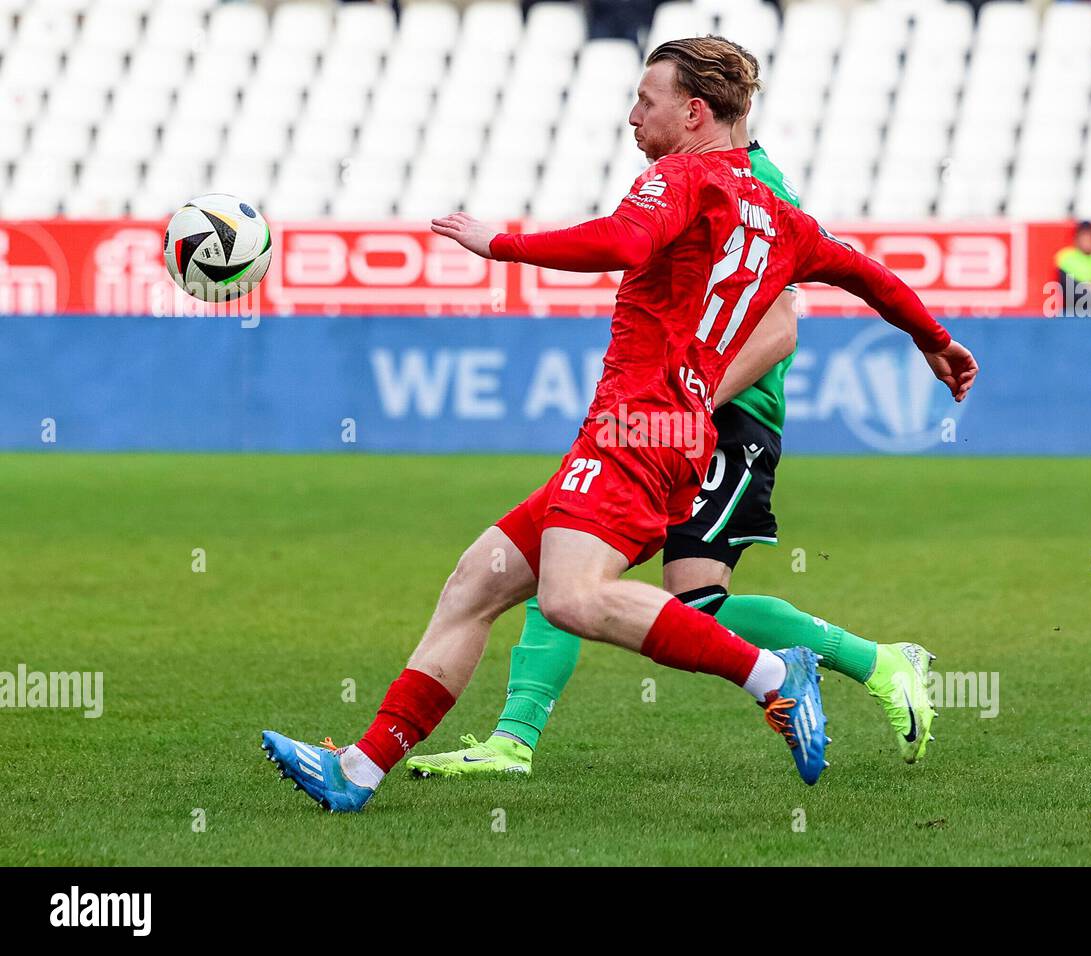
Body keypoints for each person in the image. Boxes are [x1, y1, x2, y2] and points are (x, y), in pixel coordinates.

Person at [261, 36, 977, 812]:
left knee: (572, 599)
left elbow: (620, 239)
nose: (633, 117)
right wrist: (935, 341)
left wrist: (499, 243)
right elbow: (869, 275)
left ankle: (774, 674)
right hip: (665, 431)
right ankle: (358, 772)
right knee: (476, 584)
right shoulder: (780, 215)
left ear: (694, 111)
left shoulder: (682, 178)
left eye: (647, 101)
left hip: (637, 428)